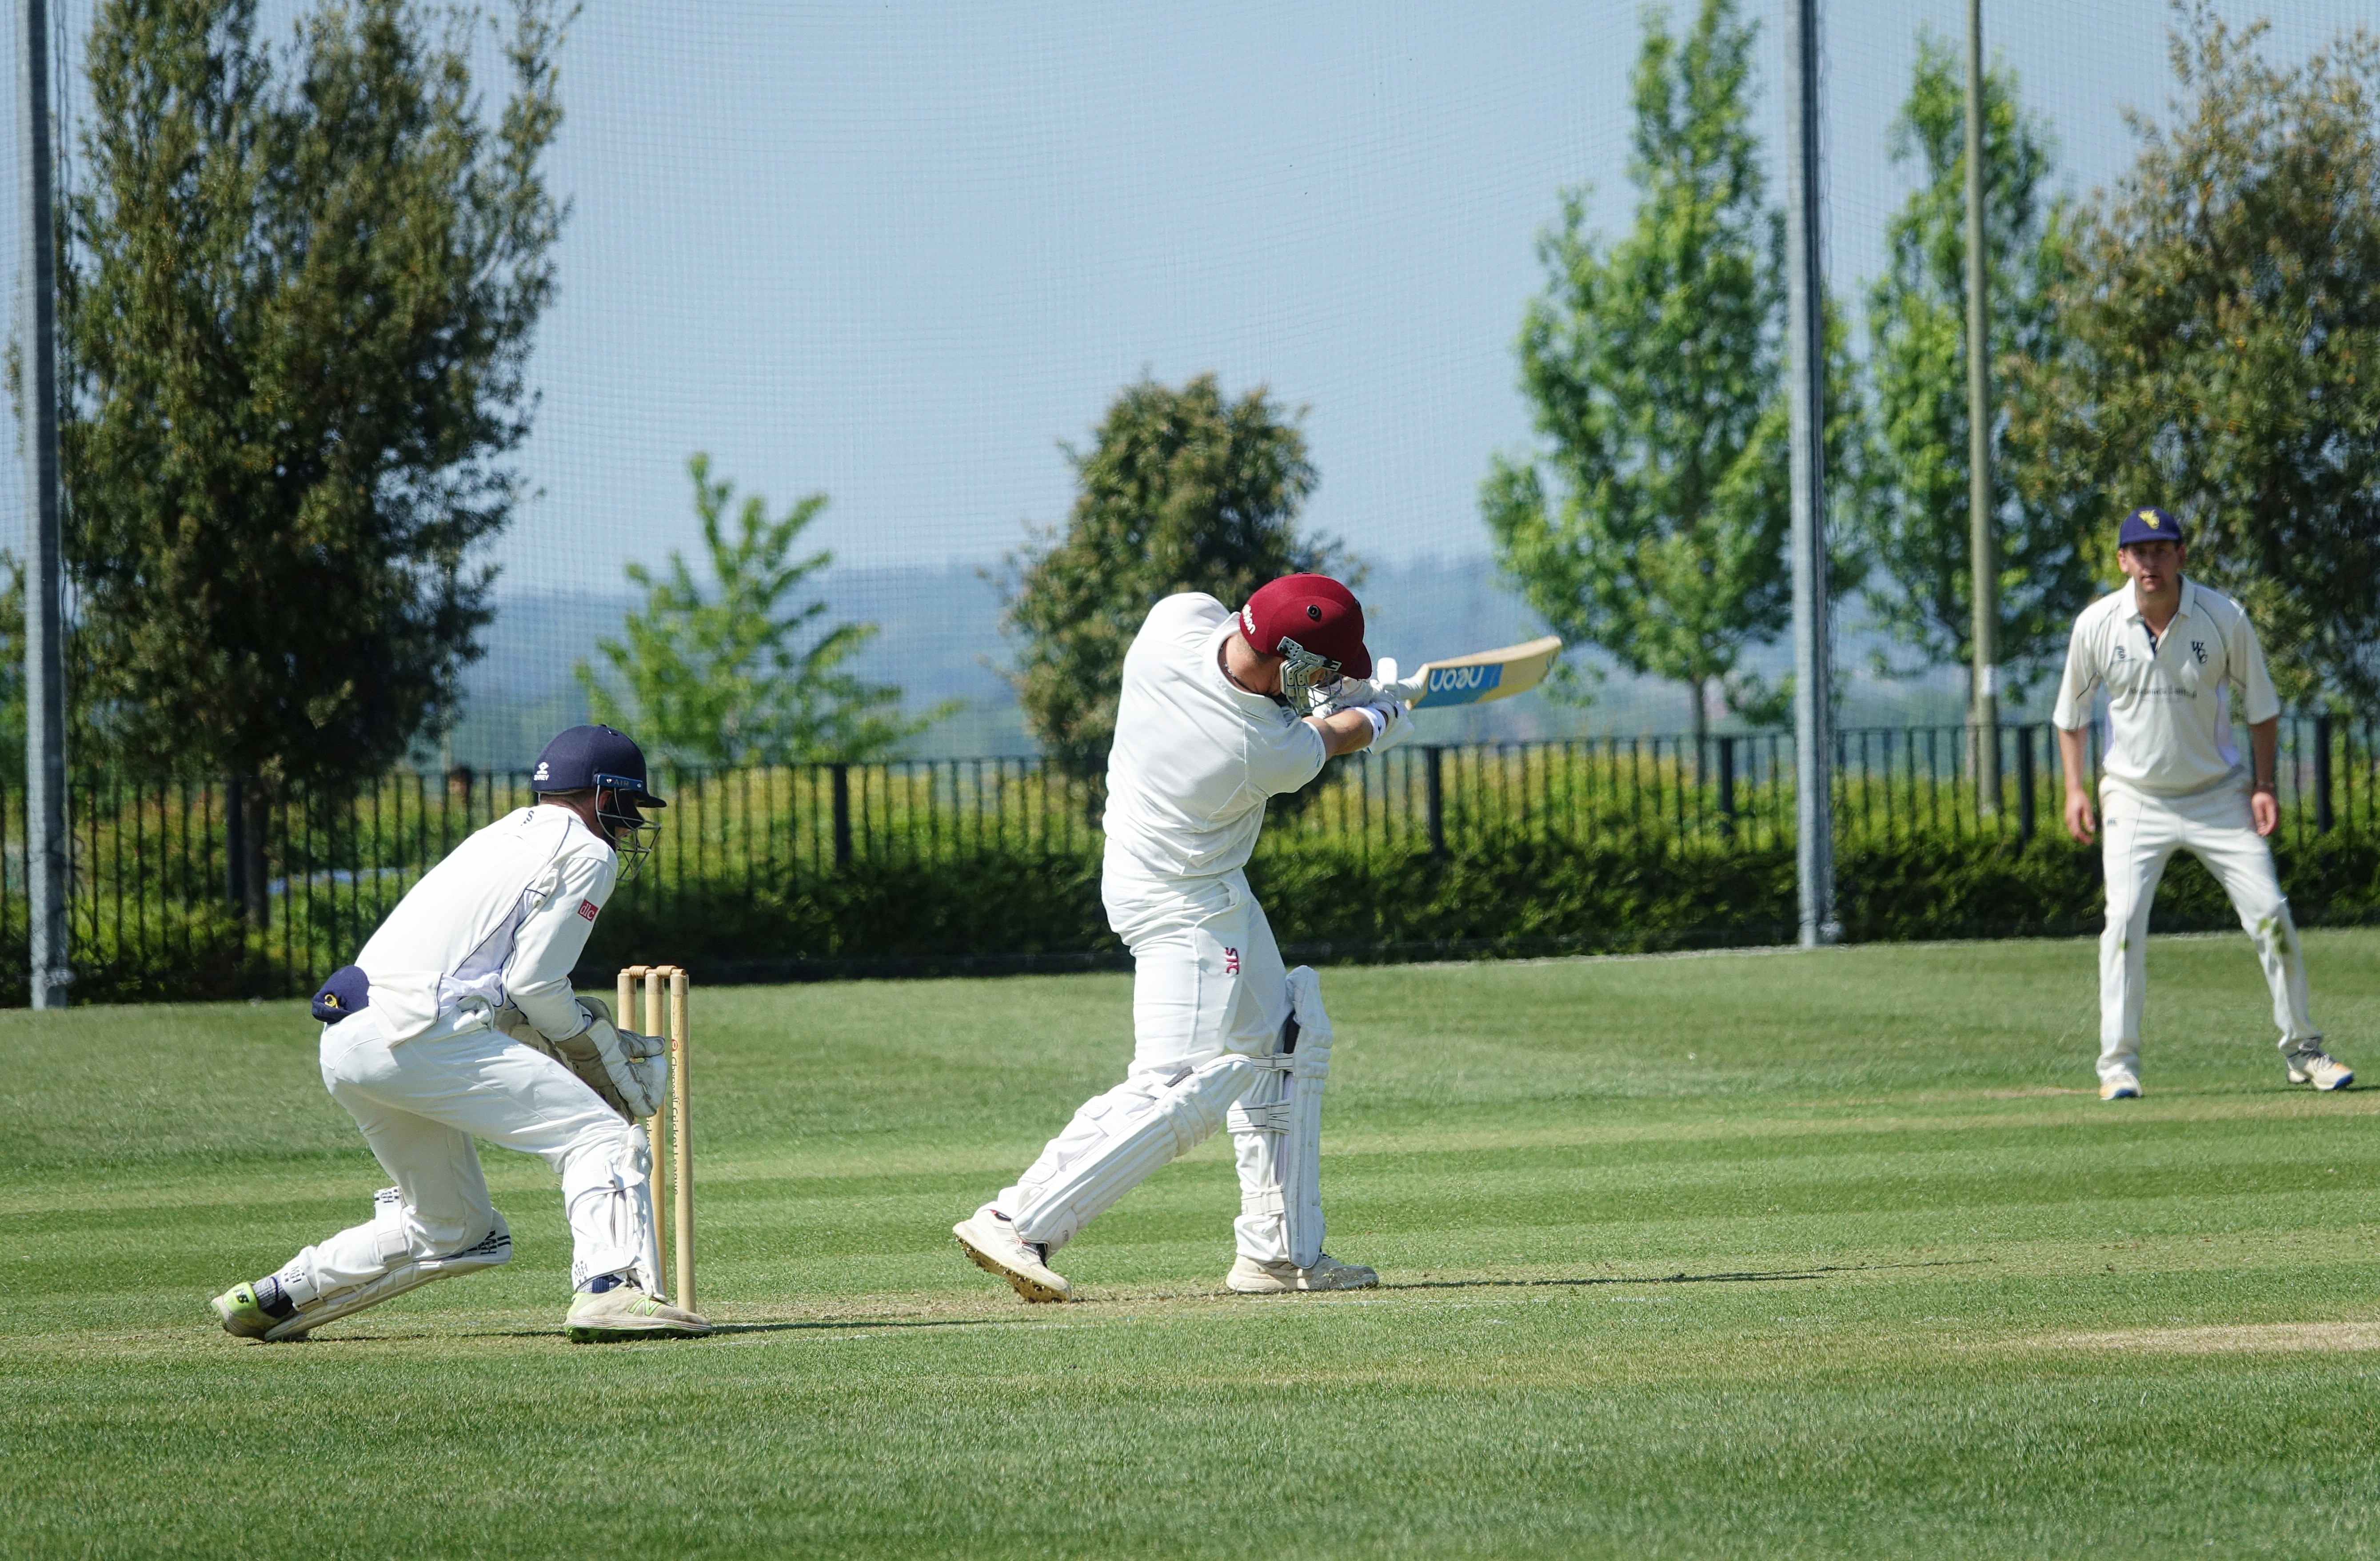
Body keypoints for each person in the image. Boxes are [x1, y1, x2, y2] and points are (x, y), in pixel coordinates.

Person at [954, 574, 1416, 1299]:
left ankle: (1280, 1255)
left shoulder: (1175, 622)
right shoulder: (1254, 747)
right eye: (1323, 667)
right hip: (1184, 906)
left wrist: (1335, 688)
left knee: (1286, 1040)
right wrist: (1384, 712)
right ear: (1291, 658)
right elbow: (1330, 737)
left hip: (1189, 881)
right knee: (1179, 1081)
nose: (1329, 679)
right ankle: (1017, 1217)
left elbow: (1283, 689)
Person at [210, 725, 711, 1342]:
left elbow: (493, 983)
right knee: (599, 1134)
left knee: (458, 1227)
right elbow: (535, 981)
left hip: (349, 1039)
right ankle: (609, 1288)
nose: (631, 825)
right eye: (628, 807)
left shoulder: (502, 835)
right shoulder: (587, 851)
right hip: (419, 1028)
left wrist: (552, 1035)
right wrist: (593, 1048)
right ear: (602, 795)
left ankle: (278, 1294)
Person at [2052, 506, 2348, 1101]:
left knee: (2272, 915)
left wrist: (2263, 786)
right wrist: (2076, 789)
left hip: (2219, 794)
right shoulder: (2098, 624)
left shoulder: (2222, 616)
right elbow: (2071, 715)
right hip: (2134, 797)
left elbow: (2261, 707)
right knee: (2124, 923)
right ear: (2122, 561)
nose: (2151, 562)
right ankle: (2119, 1065)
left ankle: (2304, 1050)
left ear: (2181, 555)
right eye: (2140, 551)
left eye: (2163, 549)